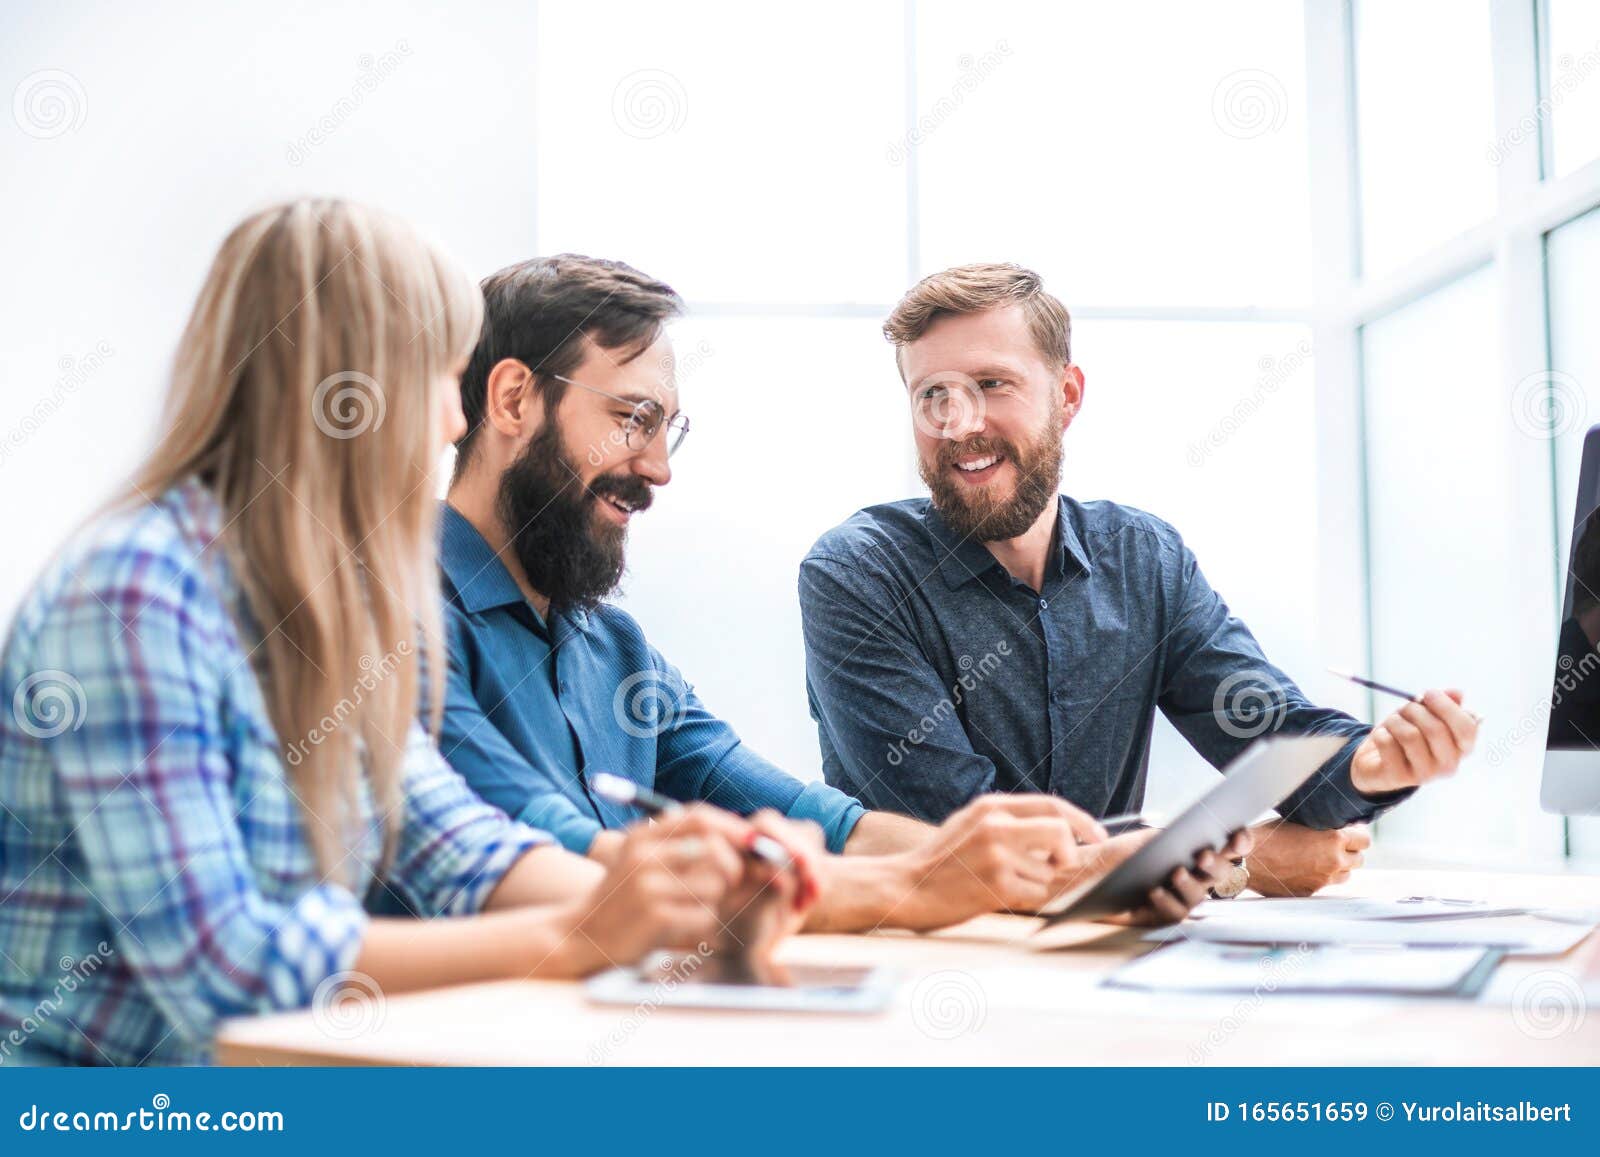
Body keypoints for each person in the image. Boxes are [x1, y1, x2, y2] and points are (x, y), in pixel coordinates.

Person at [0, 201, 818, 1067]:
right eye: (439, 374)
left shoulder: (328, 602)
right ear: (345, 390)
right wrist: (585, 929)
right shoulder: (136, 593)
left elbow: (456, 844)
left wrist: (684, 913)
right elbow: (225, 969)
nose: (454, 421)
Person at [437, 254, 1249, 932]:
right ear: (513, 400)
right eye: (633, 417)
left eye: (667, 428)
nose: (658, 466)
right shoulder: (396, 620)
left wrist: (1041, 865)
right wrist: (933, 883)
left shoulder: (611, 649)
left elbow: (816, 818)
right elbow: (540, 846)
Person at [798, 263, 1479, 898]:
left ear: (1066, 396)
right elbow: (981, 847)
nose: (960, 424)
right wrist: (1237, 860)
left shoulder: (1143, 560)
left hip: (1104, 966)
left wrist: (1375, 764)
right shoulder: (857, 575)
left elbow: (1276, 741)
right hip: (921, 971)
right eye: (933, 396)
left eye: (992, 385)